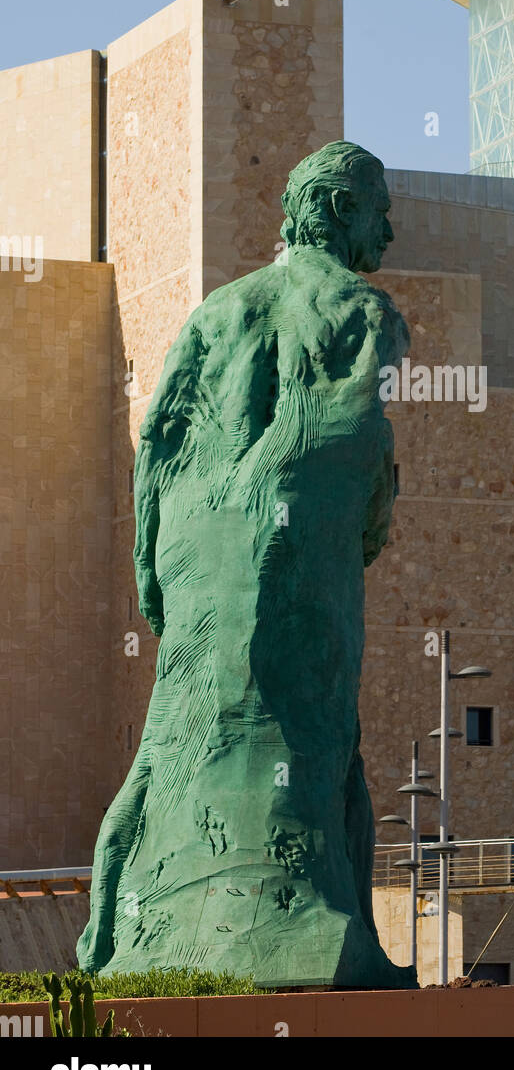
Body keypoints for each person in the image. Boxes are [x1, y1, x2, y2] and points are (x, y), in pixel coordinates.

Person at [78, 142, 415, 989]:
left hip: (197, 558)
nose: (389, 228)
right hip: (298, 564)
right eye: (379, 210)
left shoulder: (214, 313)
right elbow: (353, 440)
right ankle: (308, 932)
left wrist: (155, 573)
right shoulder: (360, 309)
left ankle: (139, 938)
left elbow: (154, 446)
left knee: (177, 735)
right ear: (341, 211)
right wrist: (369, 525)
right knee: (314, 738)